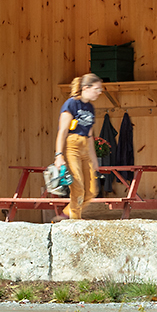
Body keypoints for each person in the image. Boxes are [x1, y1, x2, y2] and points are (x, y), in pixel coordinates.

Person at [53, 74, 107, 220]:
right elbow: (63, 130)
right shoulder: (71, 104)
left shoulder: (90, 108)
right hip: (73, 147)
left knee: (91, 191)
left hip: (85, 147)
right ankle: (75, 221)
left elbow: (89, 135)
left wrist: (94, 159)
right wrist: (59, 155)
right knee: (78, 187)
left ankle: (65, 215)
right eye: (96, 89)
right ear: (86, 88)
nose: (99, 92)